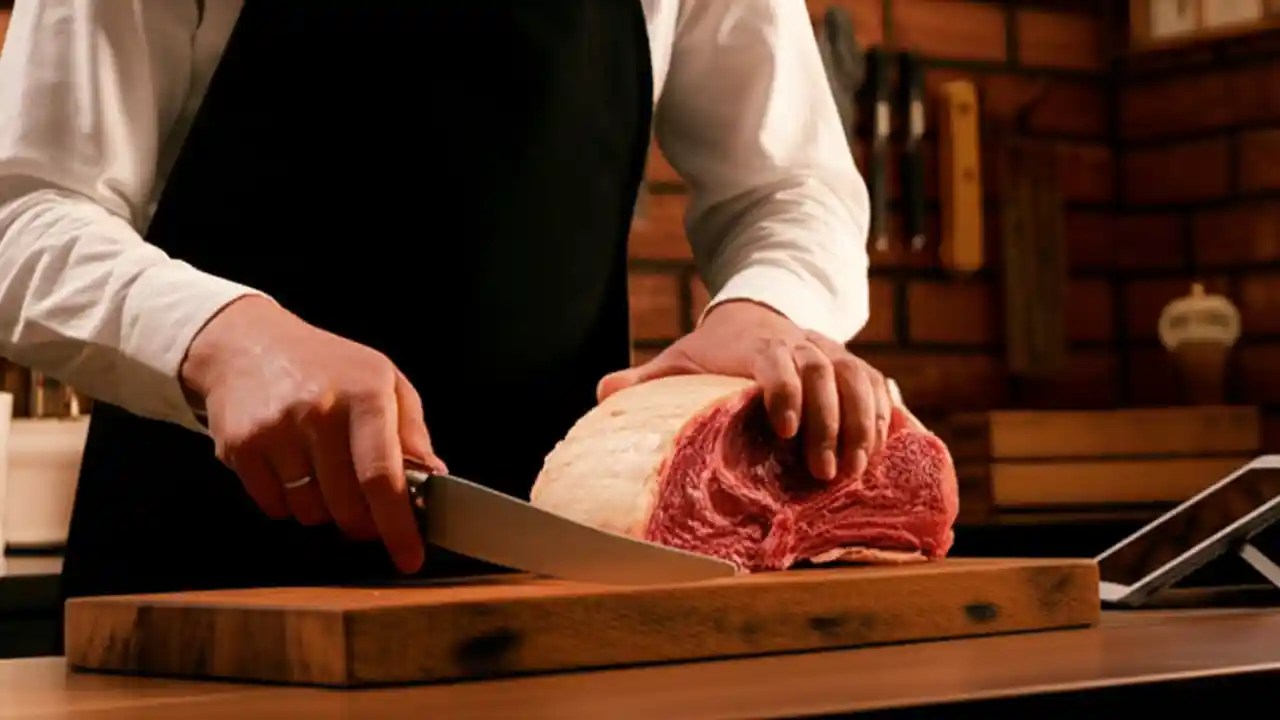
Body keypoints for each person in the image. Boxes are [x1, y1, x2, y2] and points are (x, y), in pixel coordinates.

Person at [0, 0, 884, 599]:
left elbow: (791, 186)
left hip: (546, 584)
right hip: (204, 589)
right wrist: (223, 339)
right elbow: (26, 207)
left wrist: (767, 307)